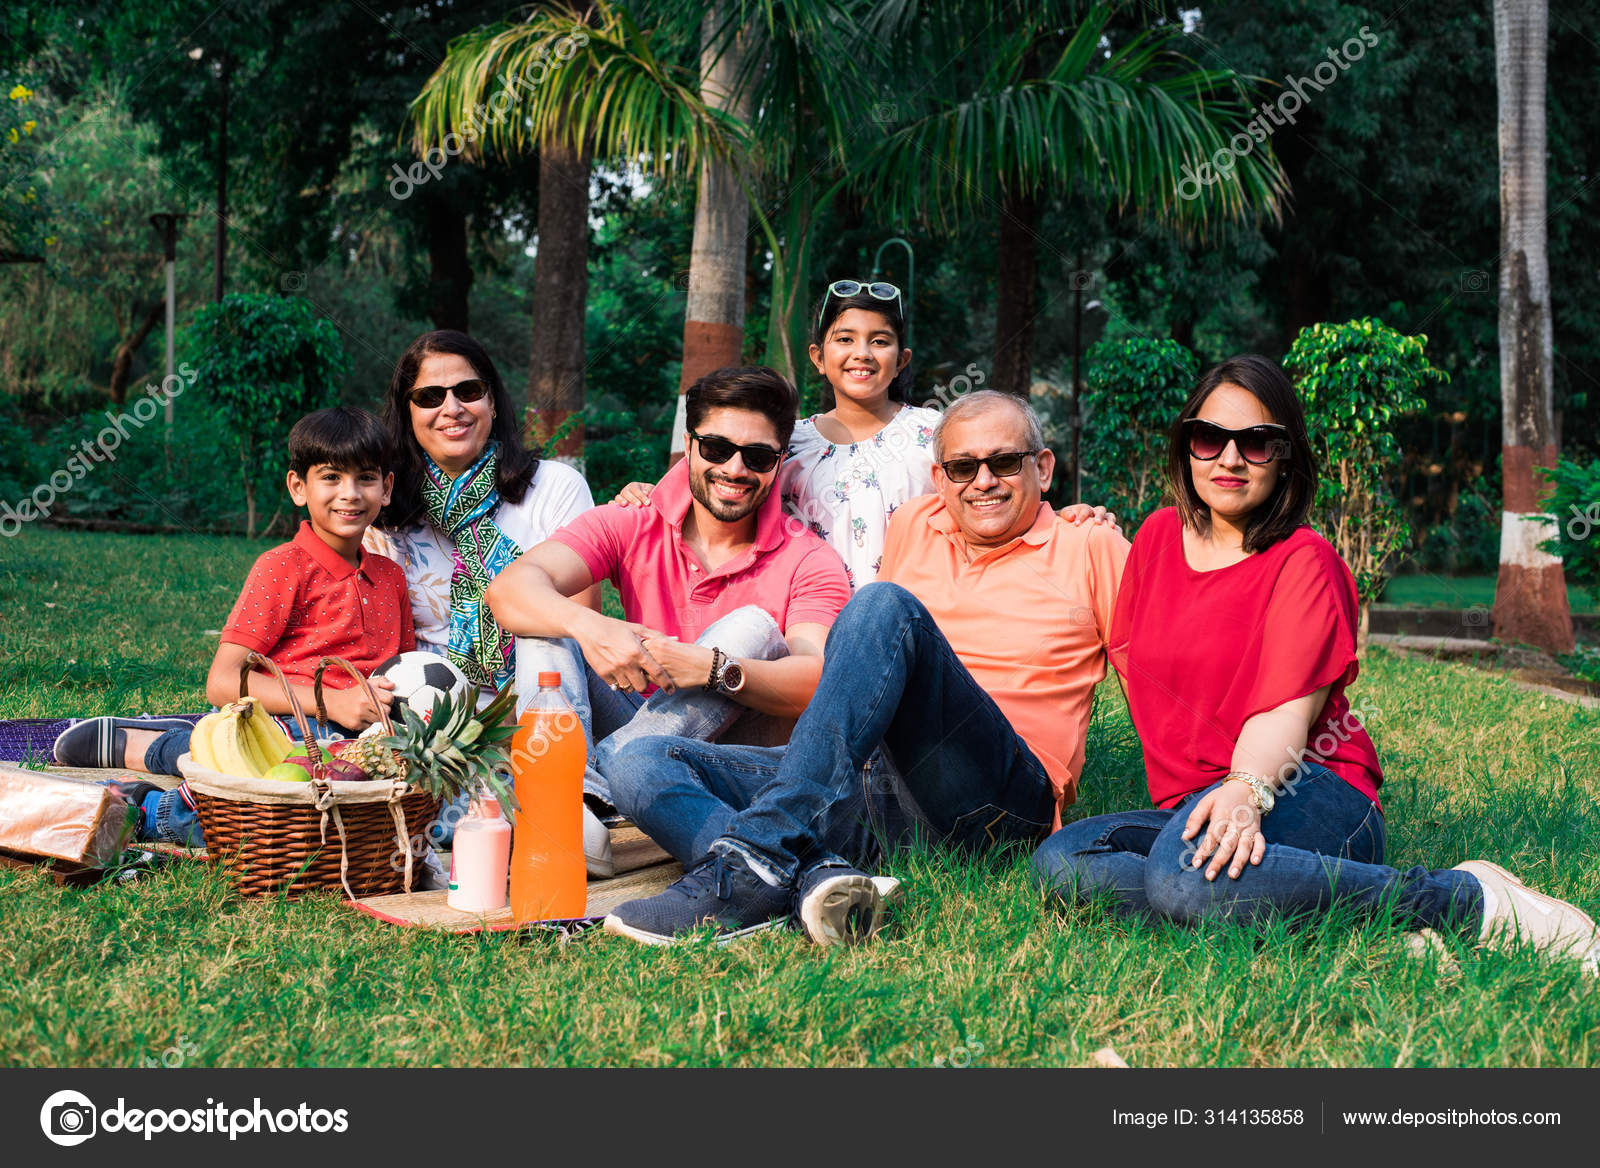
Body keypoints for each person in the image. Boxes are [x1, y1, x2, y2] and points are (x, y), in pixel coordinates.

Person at [1031, 354, 1598, 973]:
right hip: (1189, 809)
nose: (1228, 459)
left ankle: (1468, 900)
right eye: (1208, 437)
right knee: (1064, 860)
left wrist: (1245, 790)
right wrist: (1070, 529)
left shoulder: (1306, 561)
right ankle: (1354, 922)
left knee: (1182, 881)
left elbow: (1284, 713)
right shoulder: (1157, 539)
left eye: (1257, 443)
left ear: (1286, 457)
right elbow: (1110, 635)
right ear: (1186, 446)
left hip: (1309, 789)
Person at [599, 390, 1130, 946]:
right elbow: (747, 473)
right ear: (939, 476)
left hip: (996, 802)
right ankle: (814, 878)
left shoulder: (1092, 546)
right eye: (962, 467)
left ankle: (754, 862)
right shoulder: (915, 523)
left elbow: (1154, 678)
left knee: (880, 606)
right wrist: (655, 489)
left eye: (1003, 463)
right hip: (876, 793)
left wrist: (1199, 807)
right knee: (640, 760)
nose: (983, 482)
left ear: (1042, 468)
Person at [485, 365, 854, 875]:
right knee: (544, 625)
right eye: (718, 448)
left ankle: (591, 796)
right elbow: (508, 589)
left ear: (779, 461)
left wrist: (712, 667)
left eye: (758, 455)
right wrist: (596, 627)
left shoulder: (808, 558)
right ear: (690, 444)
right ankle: (572, 801)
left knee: (749, 626)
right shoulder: (632, 522)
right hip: (636, 711)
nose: (735, 469)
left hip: (720, 760)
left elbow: (818, 681)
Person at [52, 407, 415, 845]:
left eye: (367, 478)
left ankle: (178, 744)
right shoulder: (282, 567)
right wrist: (332, 702)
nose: (351, 493)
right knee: (267, 820)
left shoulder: (391, 577)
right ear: (298, 487)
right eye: (332, 477)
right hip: (285, 724)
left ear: (387, 487)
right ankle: (148, 802)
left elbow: (404, 673)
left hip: (365, 737)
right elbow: (223, 684)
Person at [610, 280, 1118, 587]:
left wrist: (1070, 516)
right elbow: (716, 492)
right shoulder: (787, 447)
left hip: (922, 620)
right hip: (806, 624)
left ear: (902, 360)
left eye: (880, 341)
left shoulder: (934, 432)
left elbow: (997, 489)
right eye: (845, 339)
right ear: (818, 357)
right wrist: (645, 496)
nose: (862, 353)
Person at [362, 329, 602, 861]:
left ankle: (564, 795)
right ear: (408, 414)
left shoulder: (555, 487)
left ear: (492, 399)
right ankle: (497, 804)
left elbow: (583, 622)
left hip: (545, 704)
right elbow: (381, 645)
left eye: (468, 391)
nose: (451, 408)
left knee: (544, 626)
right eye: (429, 397)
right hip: (438, 722)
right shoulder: (384, 509)